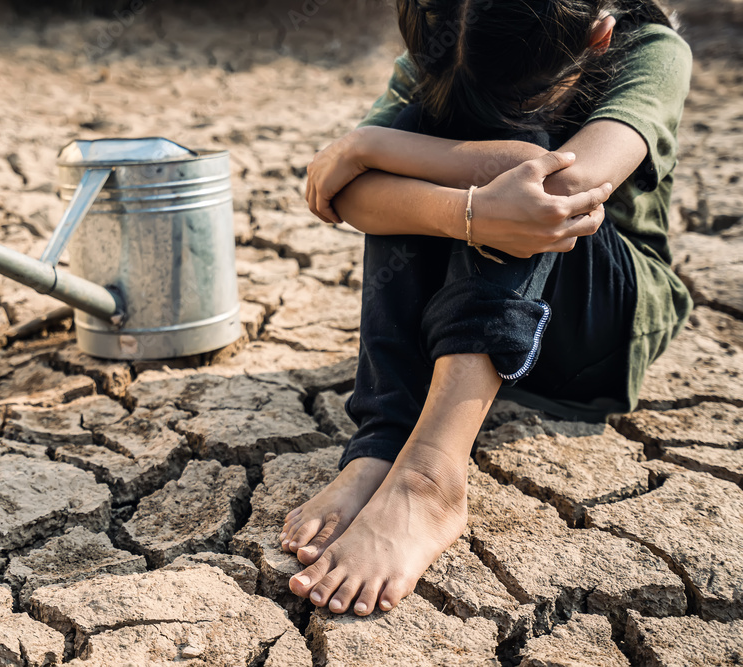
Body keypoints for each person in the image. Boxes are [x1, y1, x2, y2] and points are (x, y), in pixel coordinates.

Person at [279, 0, 693, 617]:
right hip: (475, 317)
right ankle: (385, 444)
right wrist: (461, 207)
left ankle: (430, 477)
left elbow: (565, 189)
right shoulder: (450, 43)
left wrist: (372, 145)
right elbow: (351, 196)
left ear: (600, 36)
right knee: (435, 127)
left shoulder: (650, 49)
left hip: (599, 328)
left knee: (523, 154)